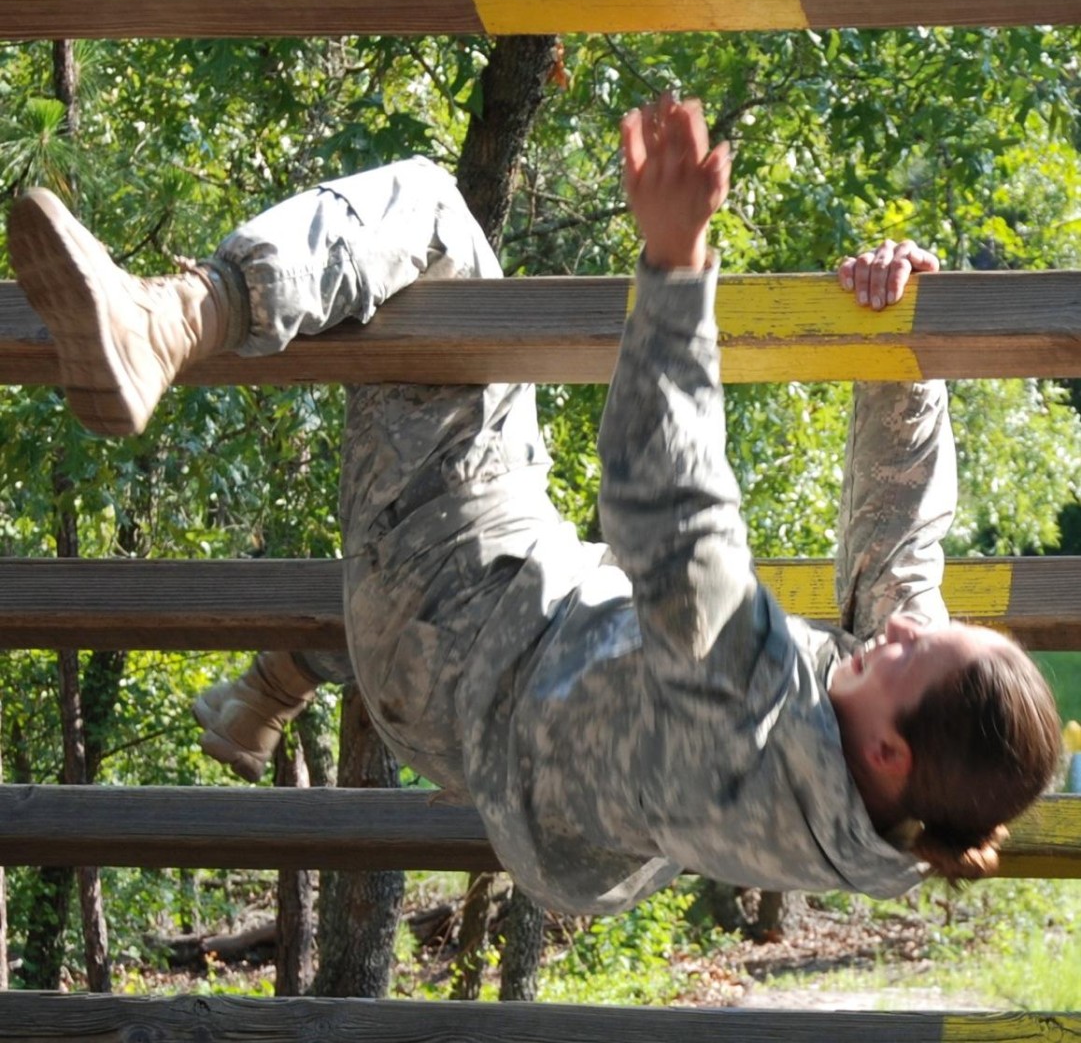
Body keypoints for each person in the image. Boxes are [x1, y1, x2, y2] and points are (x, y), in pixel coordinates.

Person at [5, 94, 1060, 914]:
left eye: (918, 650)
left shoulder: (758, 706)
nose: (909, 626)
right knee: (531, 520)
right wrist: (902, 357)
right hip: (492, 701)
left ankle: (176, 320)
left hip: (467, 615)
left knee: (428, 215)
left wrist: (676, 267)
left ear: (887, 751)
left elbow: (671, 511)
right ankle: (282, 678)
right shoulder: (874, 796)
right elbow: (900, 549)